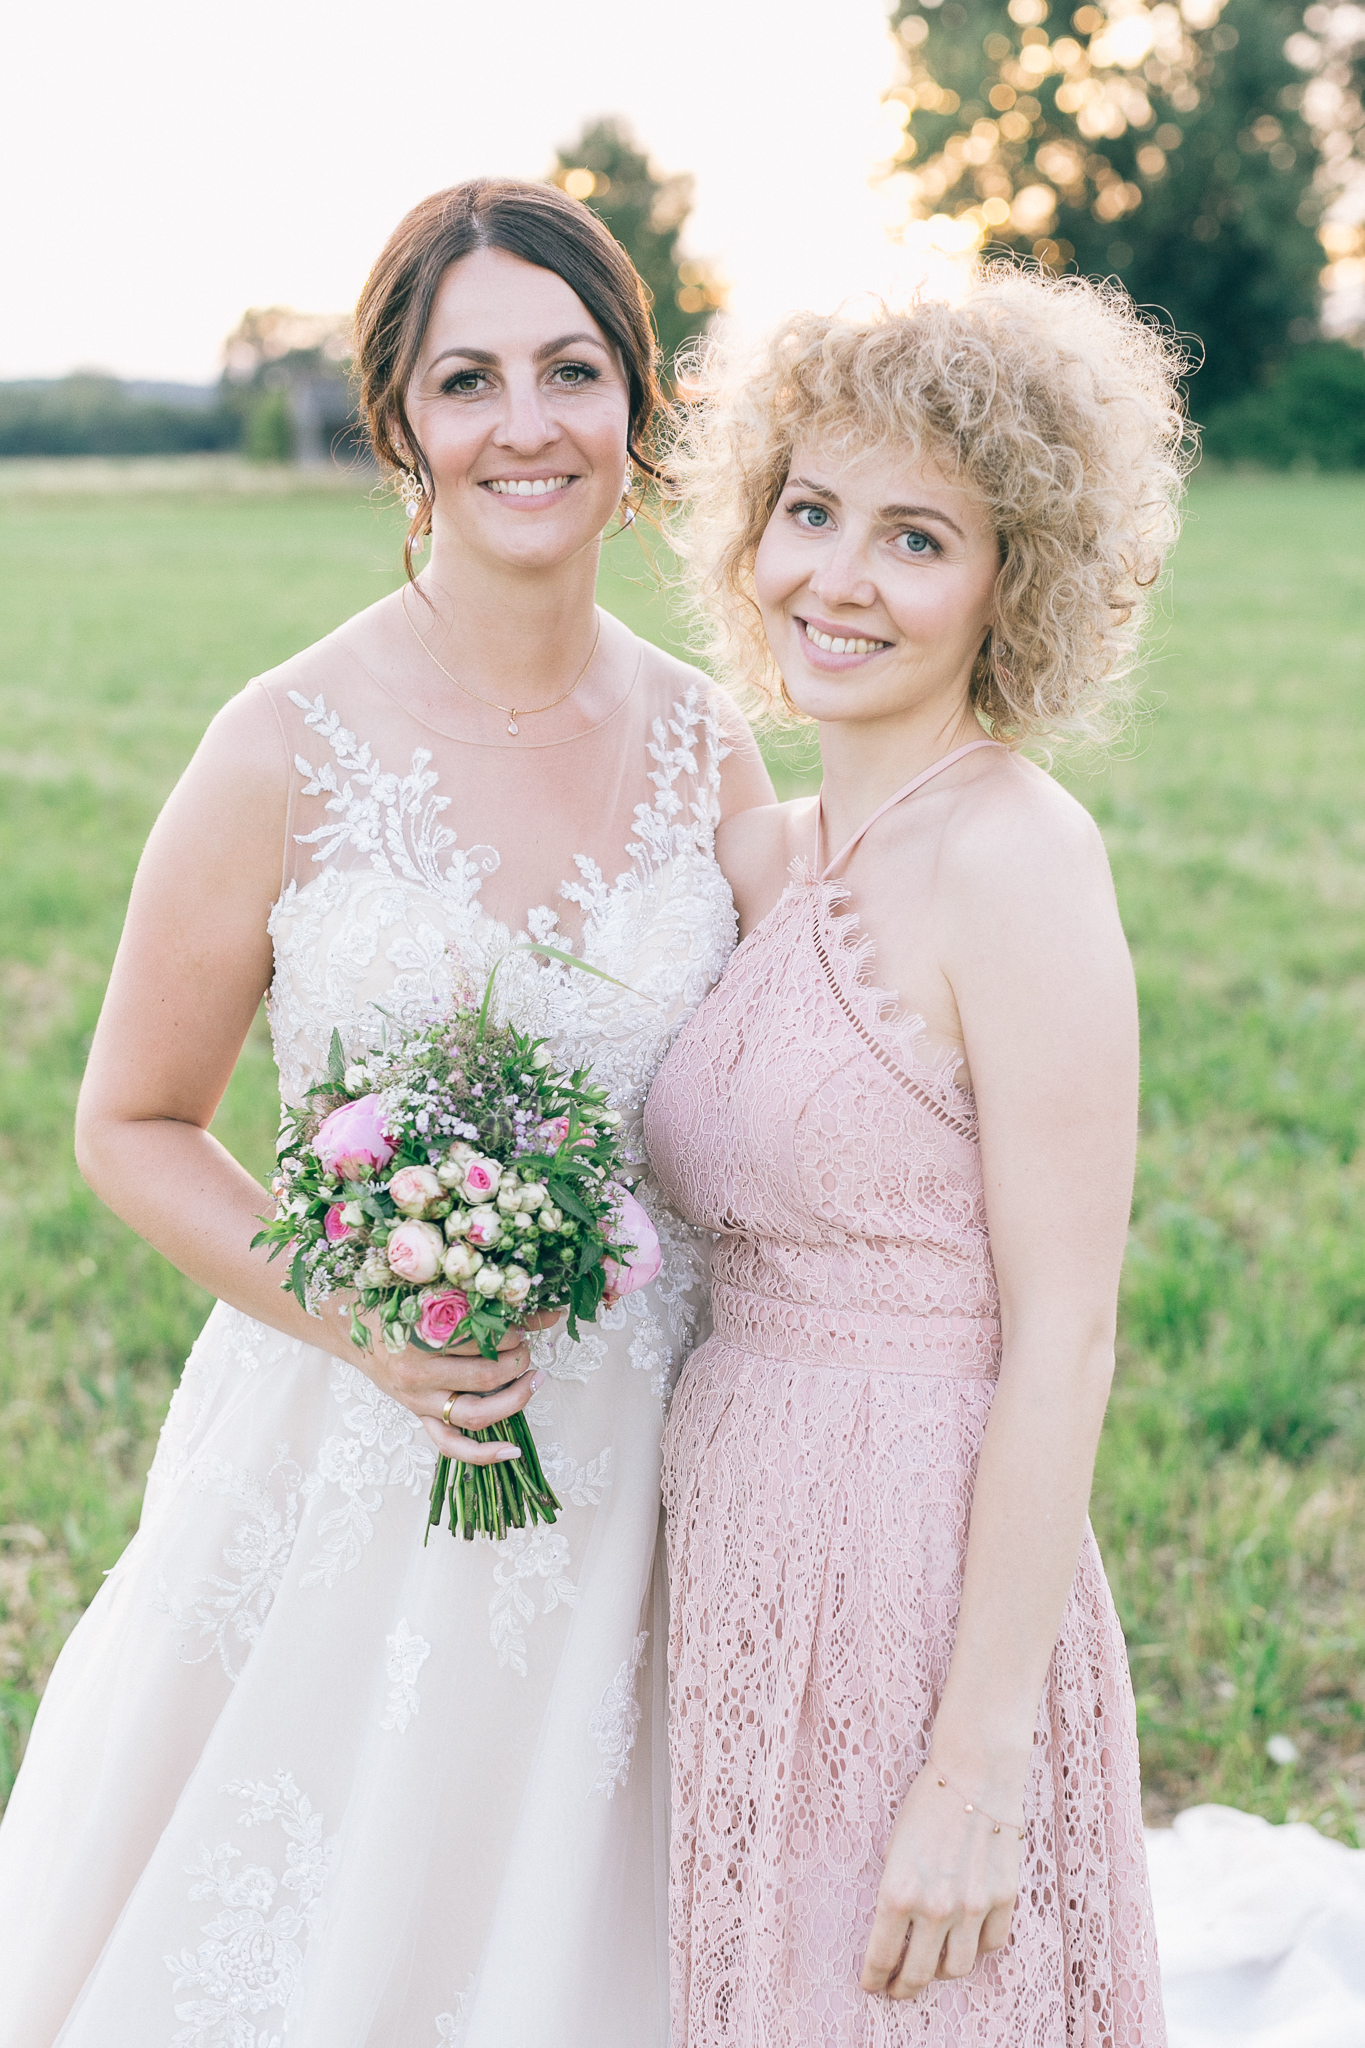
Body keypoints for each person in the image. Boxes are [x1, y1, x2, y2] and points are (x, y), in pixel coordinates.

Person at [0, 178, 772, 2048]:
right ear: (401, 424)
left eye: (573, 370)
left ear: (633, 407)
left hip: (643, 1454)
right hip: (349, 1432)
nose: (528, 425)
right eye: (469, 379)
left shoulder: (712, 745)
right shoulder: (281, 742)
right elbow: (133, 1122)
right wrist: (362, 1323)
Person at [644, 270, 1189, 2043]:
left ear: (1008, 581)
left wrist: (977, 1761)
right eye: (809, 511)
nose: (838, 578)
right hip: (731, 1526)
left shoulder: (1017, 860)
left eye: (914, 538)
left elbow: (1068, 1335)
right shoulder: (754, 852)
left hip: (919, 1553)